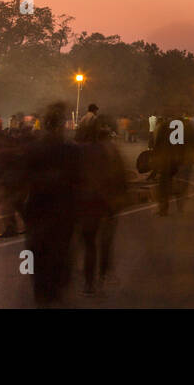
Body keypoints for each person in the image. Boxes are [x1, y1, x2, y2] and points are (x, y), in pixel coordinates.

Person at [21, 103, 81, 306]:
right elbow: (78, 182)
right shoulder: (70, 151)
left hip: (38, 211)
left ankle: (42, 295)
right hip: (62, 213)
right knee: (60, 254)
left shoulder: (32, 149)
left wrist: (24, 211)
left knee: (38, 255)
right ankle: (55, 291)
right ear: (61, 126)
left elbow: (21, 183)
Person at [75, 115, 127, 295]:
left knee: (89, 243)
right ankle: (103, 275)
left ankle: (89, 282)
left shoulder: (80, 151)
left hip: (87, 203)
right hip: (107, 203)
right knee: (105, 241)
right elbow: (121, 177)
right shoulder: (111, 150)